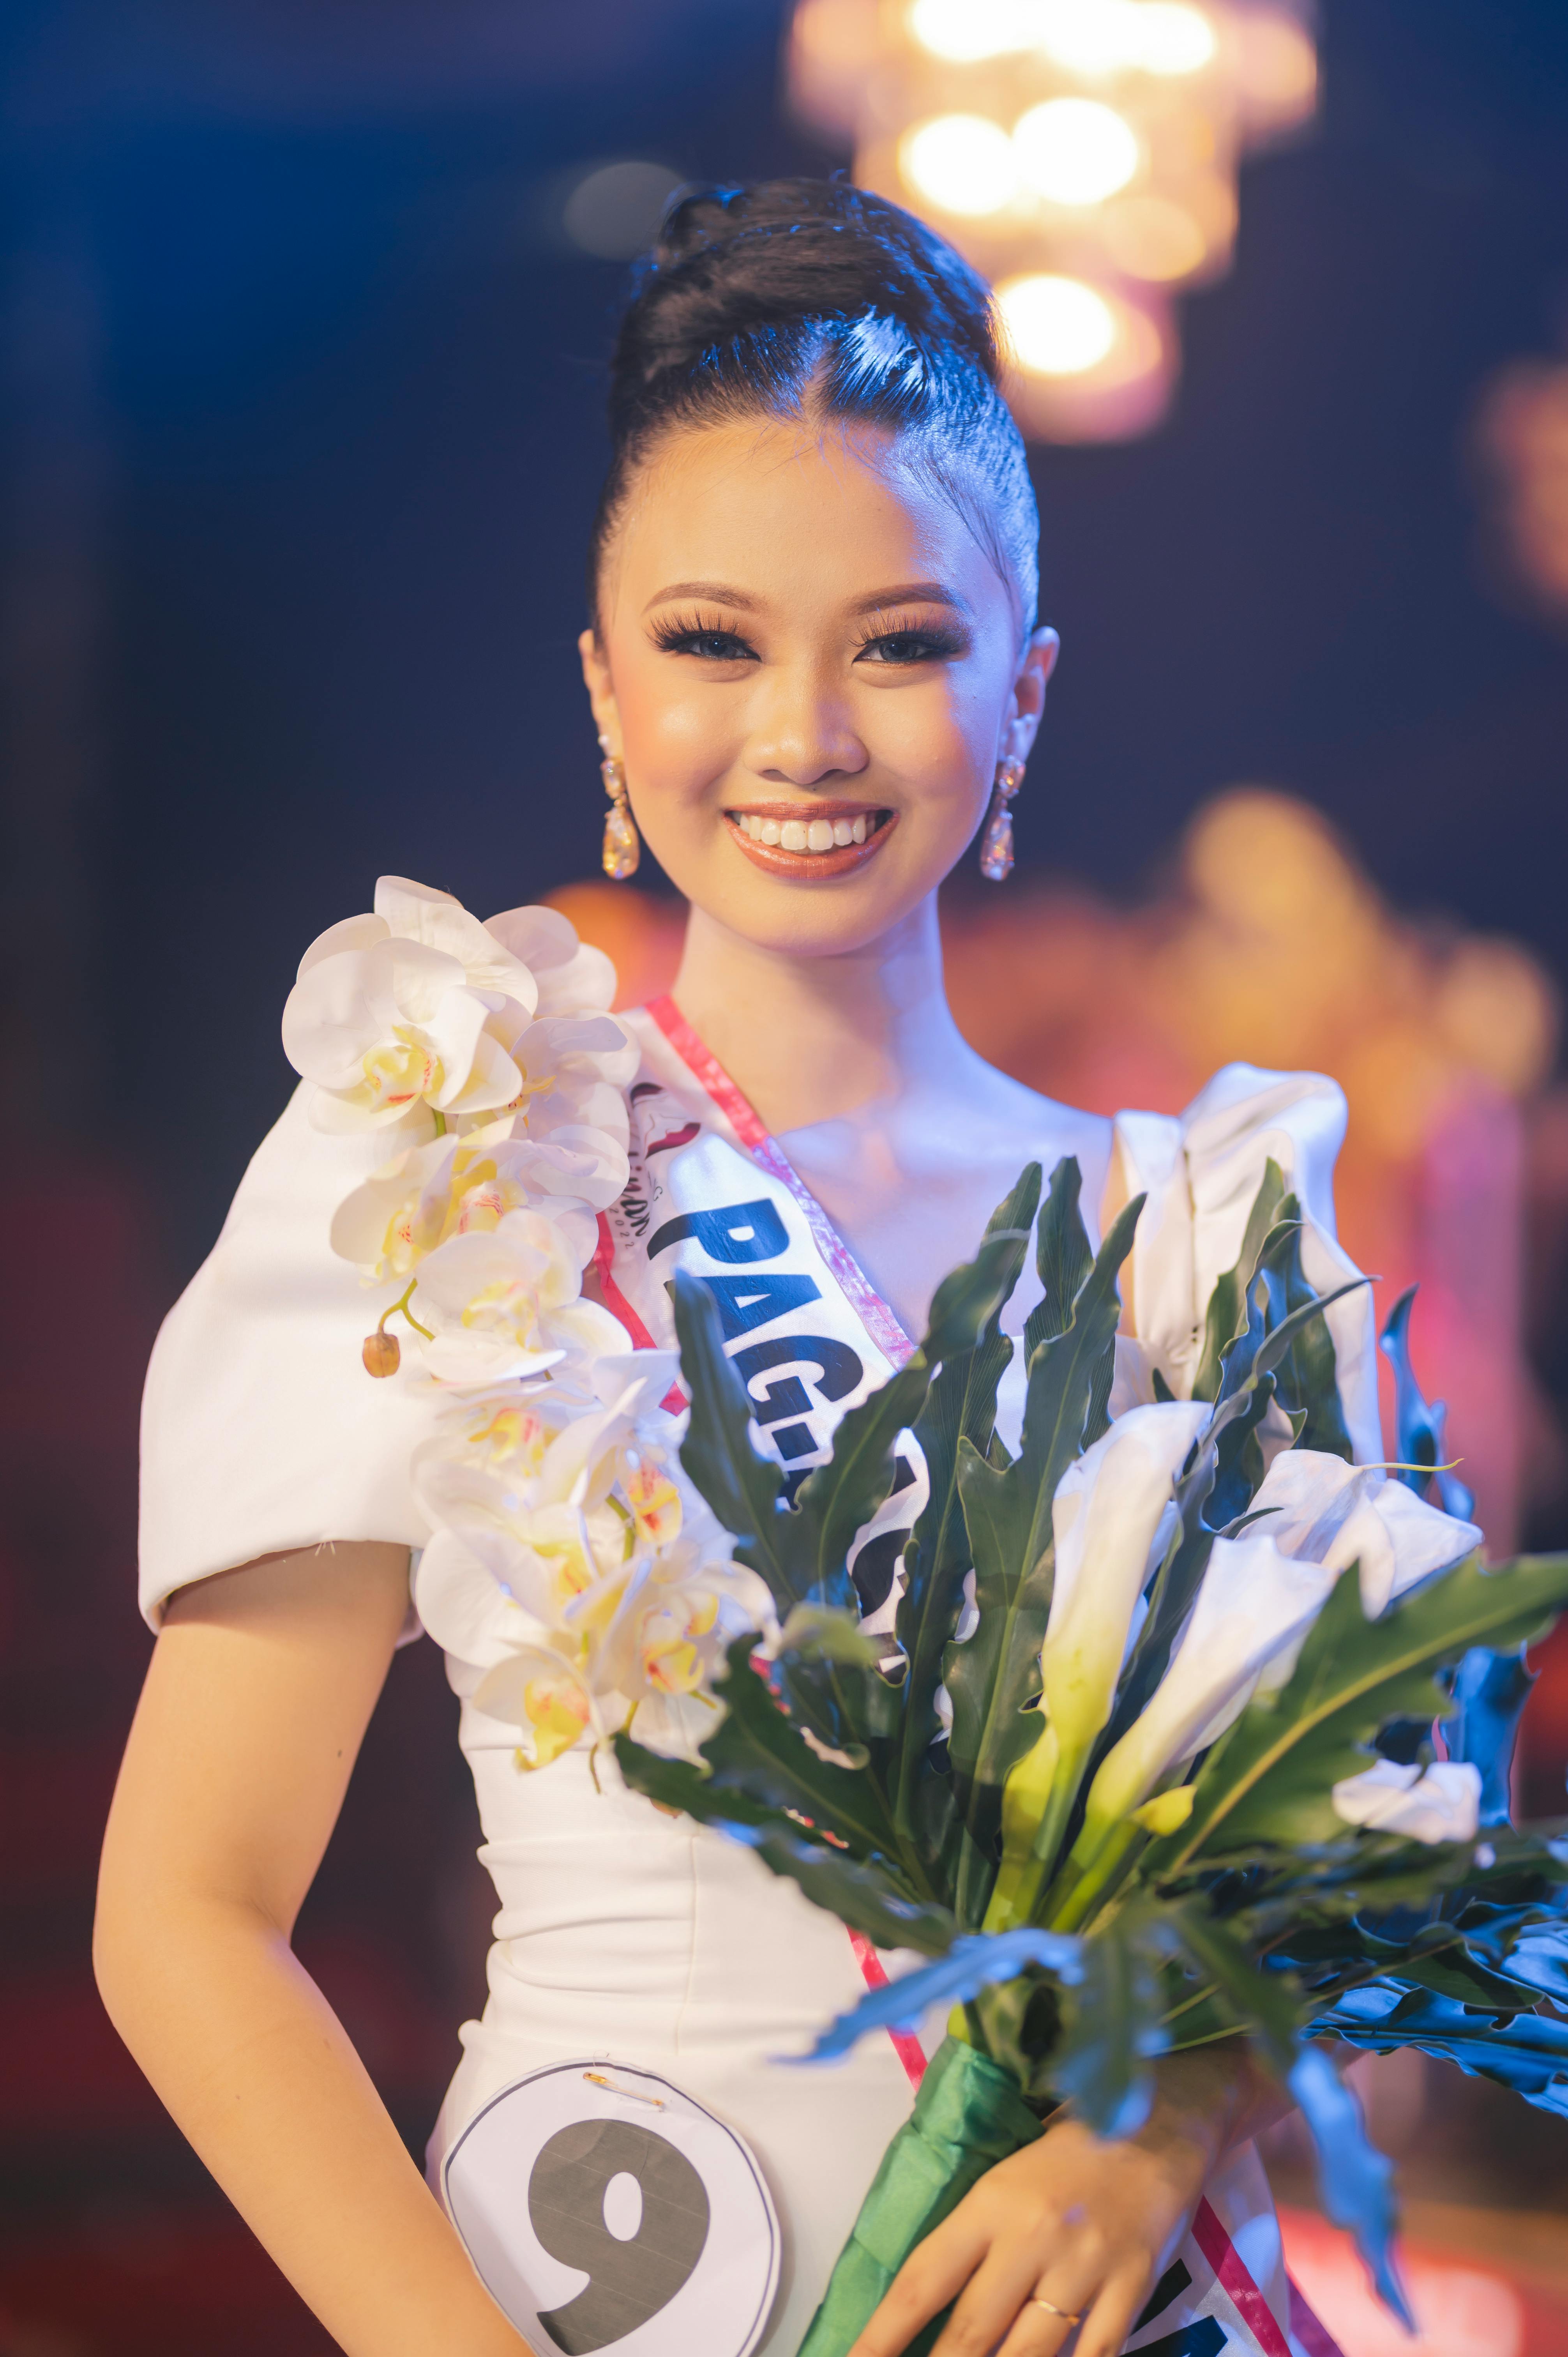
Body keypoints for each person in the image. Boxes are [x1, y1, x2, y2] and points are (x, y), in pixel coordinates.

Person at [95, 180, 1367, 2357]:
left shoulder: (1210, 1221)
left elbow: (1340, 1858)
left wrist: (1142, 2135)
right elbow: (187, 1918)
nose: (802, 734)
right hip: (595, 2292)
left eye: (899, 643)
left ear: (1024, 694)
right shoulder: (454, 1160)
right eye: (712, 643)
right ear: (605, 688)